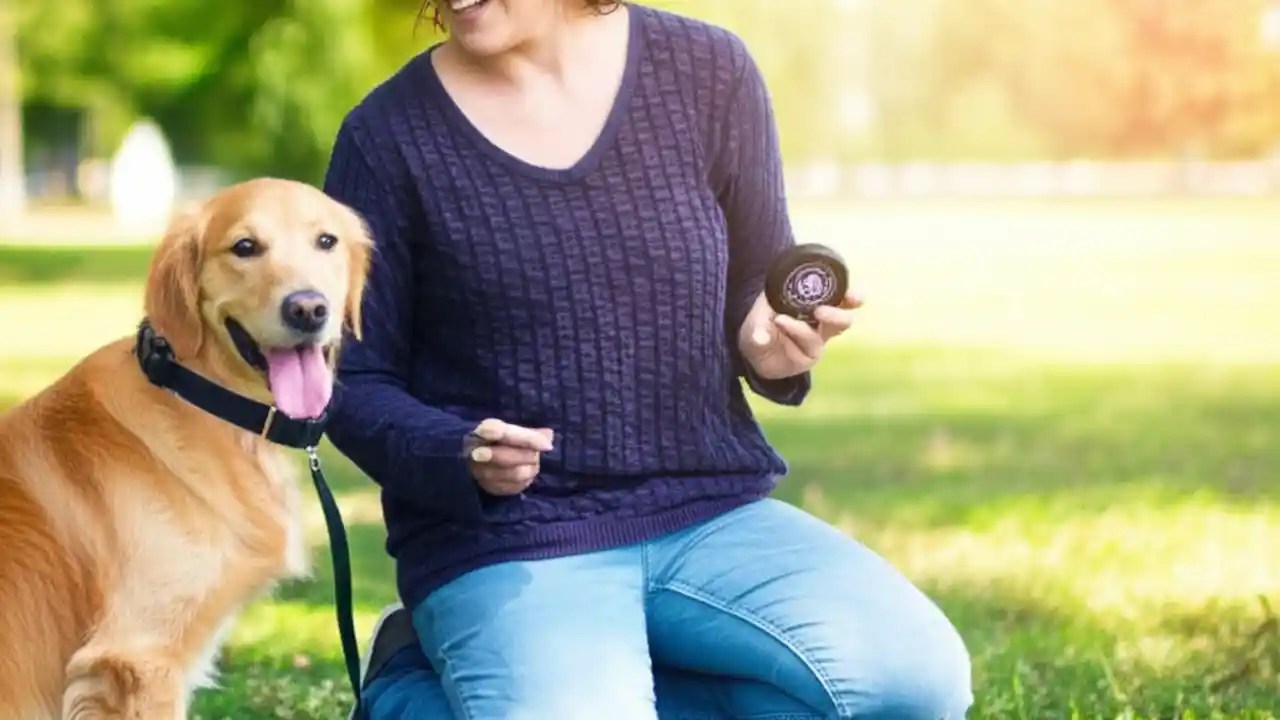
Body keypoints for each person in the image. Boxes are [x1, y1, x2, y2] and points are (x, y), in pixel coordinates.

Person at [321, 0, 973, 718]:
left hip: (709, 511)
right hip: (510, 538)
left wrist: (767, 345)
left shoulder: (710, 71)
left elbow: (756, 283)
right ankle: (410, 694)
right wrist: (457, 451)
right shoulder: (385, 137)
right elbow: (350, 380)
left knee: (915, 685)